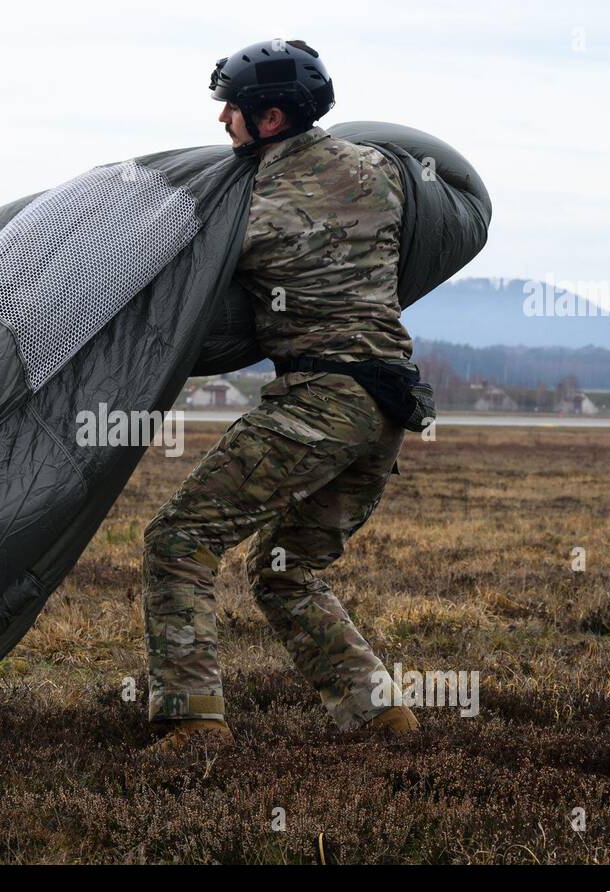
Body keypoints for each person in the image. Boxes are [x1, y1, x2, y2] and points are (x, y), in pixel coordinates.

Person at [142, 38, 420, 751]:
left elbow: (181, 294)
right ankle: (383, 717)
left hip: (320, 400)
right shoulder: (382, 173)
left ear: (269, 121)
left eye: (232, 109)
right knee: (285, 570)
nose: (222, 122)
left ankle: (194, 721)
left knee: (180, 539)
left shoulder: (250, 205)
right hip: (390, 407)